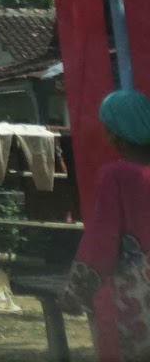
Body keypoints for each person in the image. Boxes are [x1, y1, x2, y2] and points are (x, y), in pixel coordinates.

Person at [63, 88, 150, 361]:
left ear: (115, 132)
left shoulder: (116, 176)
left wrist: (75, 292)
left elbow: (101, 242)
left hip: (137, 301)